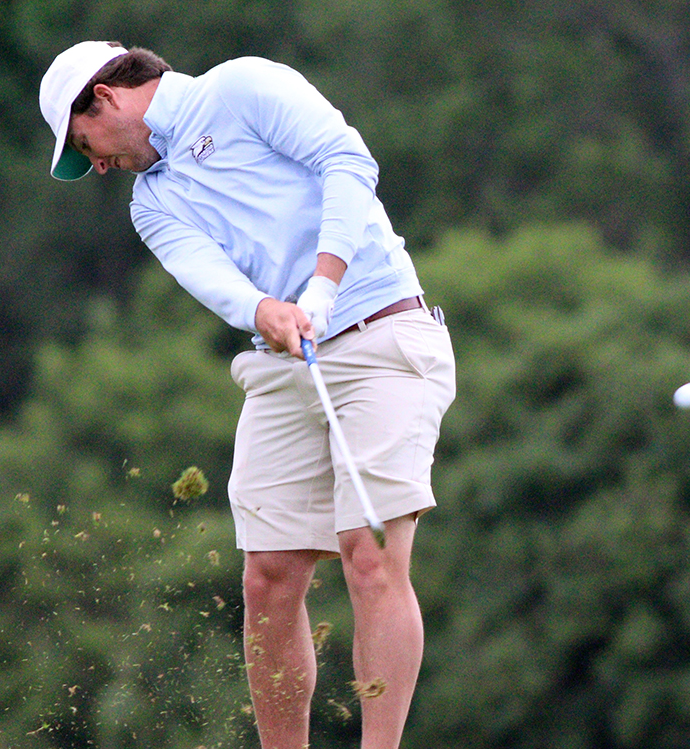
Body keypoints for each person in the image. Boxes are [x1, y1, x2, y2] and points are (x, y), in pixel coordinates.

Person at [39, 41, 455, 749]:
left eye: (88, 145)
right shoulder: (152, 202)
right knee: (267, 575)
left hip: (382, 333)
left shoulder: (241, 87)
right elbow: (210, 275)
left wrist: (322, 285)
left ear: (105, 97)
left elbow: (349, 164)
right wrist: (267, 310)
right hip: (283, 355)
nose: (99, 166)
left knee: (369, 549)